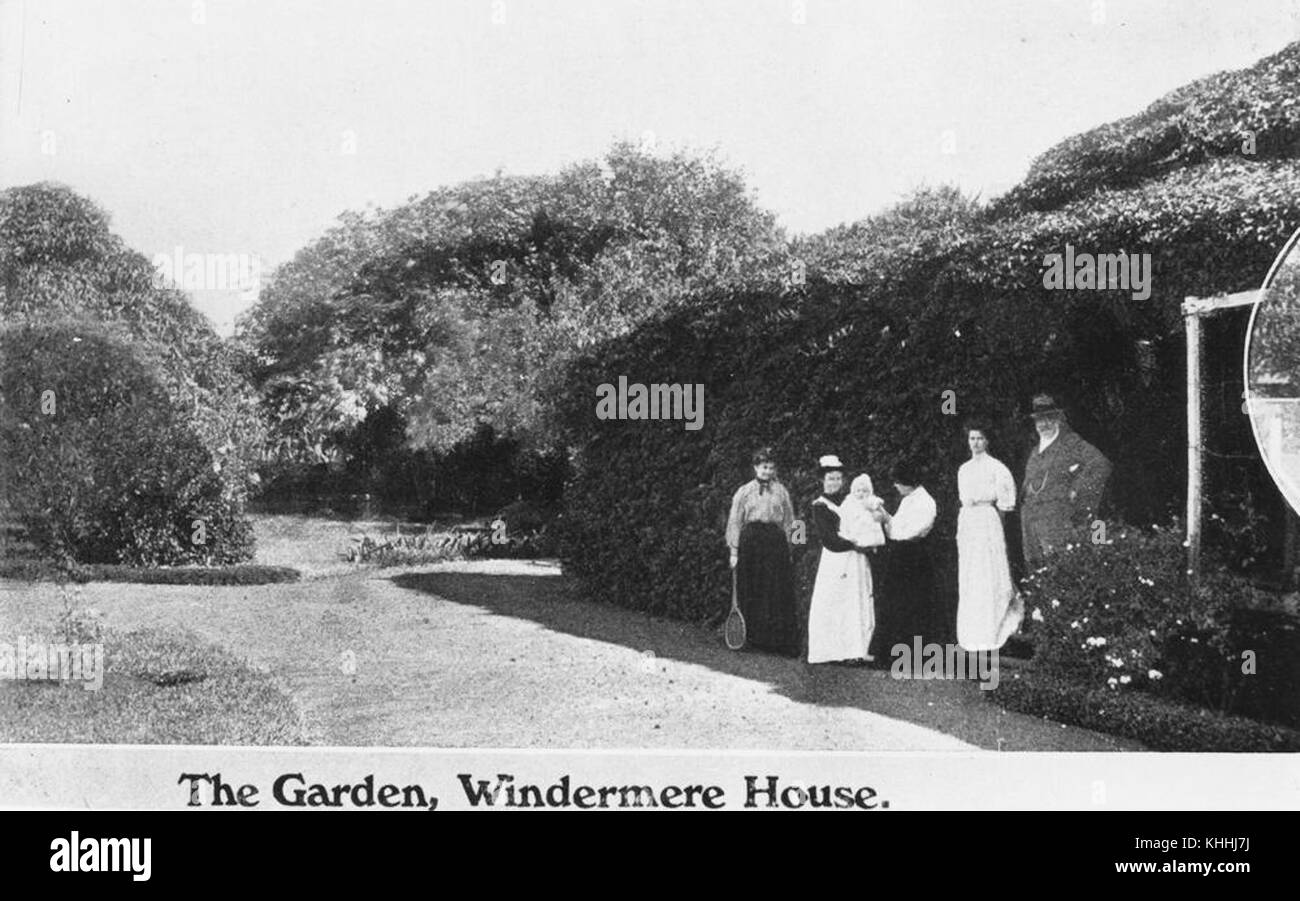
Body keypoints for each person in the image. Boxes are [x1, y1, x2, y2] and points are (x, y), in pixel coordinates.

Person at [1020, 393, 1113, 570]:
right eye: (1039, 420)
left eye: (1049, 418)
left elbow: (1101, 464)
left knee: (1061, 571)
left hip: (1058, 525)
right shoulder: (1034, 452)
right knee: (1036, 577)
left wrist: (1076, 489)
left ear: (1058, 419)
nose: (1044, 424)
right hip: (1032, 528)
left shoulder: (1071, 443)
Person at [725, 447, 799, 655]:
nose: (767, 471)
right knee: (752, 587)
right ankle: (751, 638)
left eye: (771, 467)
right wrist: (734, 551)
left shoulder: (782, 491)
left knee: (774, 589)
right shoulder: (744, 491)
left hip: (775, 544)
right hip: (751, 543)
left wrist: (793, 546)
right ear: (756, 467)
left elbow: (790, 520)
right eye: (764, 467)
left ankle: (773, 641)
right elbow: (734, 522)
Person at [956, 420, 1022, 651]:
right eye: (972, 438)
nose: (975, 443)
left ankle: (993, 628)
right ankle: (972, 632)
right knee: (971, 574)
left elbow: (1005, 505)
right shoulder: (963, 469)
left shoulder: (998, 468)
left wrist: (996, 532)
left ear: (987, 441)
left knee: (989, 572)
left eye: (980, 438)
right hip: (969, 523)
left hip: (988, 521)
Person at [807, 458, 880, 664]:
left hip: (856, 559)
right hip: (837, 560)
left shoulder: (851, 501)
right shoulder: (820, 506)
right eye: (830, 478)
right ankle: (832, 651)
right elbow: (829, 539)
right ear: (822, 480)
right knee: (835, 602)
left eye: (838, 478)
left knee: (856, 600)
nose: (835, 483)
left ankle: (856, 650)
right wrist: (855, 544)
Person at [875, 460, 941, 650]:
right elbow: (895, 528)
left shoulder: (926, 502)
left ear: (907, 481)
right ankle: (892, 649)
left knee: (912, 603)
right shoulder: (907, 500)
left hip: (914, 557)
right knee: (895, 602)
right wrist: (886, 518)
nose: (895, 486)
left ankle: (911, 650)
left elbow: (909, 531)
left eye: (898, 481)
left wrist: (889, 522)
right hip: (900, 555)